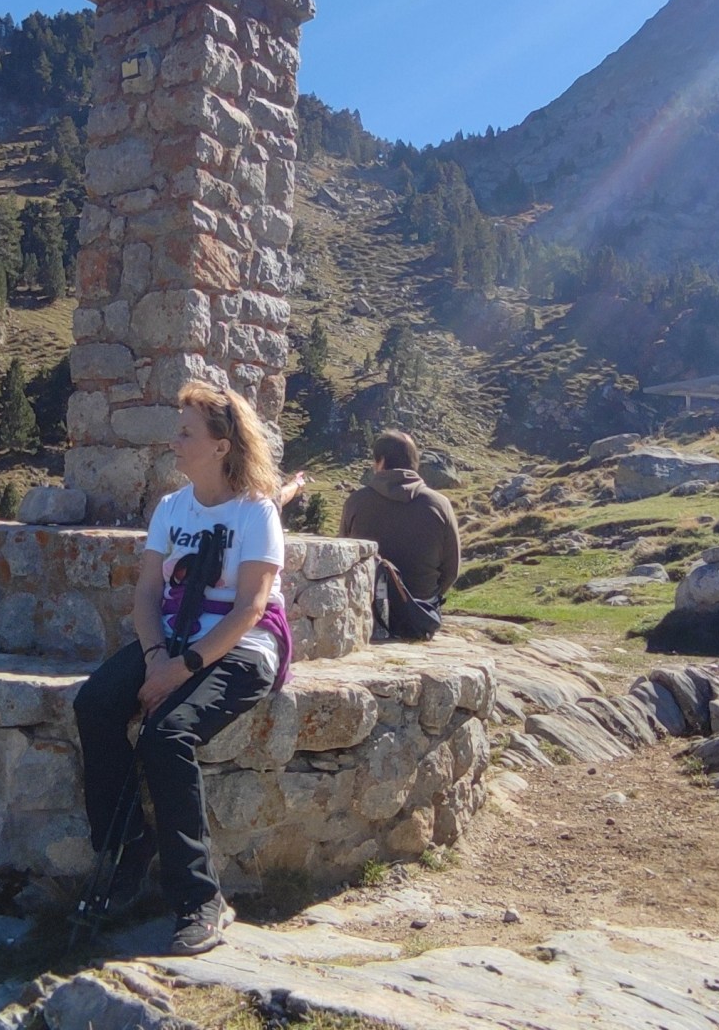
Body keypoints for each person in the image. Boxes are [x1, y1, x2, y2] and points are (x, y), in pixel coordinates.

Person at [71, 382, 302, 955]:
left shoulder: (257, 511)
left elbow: (251, 606)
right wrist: (156, 658)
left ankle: (201, 900)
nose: (174, 441)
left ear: (221, 446)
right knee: (96, 704)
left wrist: (184, 668)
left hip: (242, 646)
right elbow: (148, 592)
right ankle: (127, 852)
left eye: (186, 432)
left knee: (167, 734)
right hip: (172, 637)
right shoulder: (172, 508)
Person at [339, 431, 461, 637]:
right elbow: (451, 571)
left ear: (381, 461)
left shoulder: (356, 502)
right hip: (420, 615)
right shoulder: (440, 504)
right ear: (414, 463)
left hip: (367, 615)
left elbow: (343, 559)